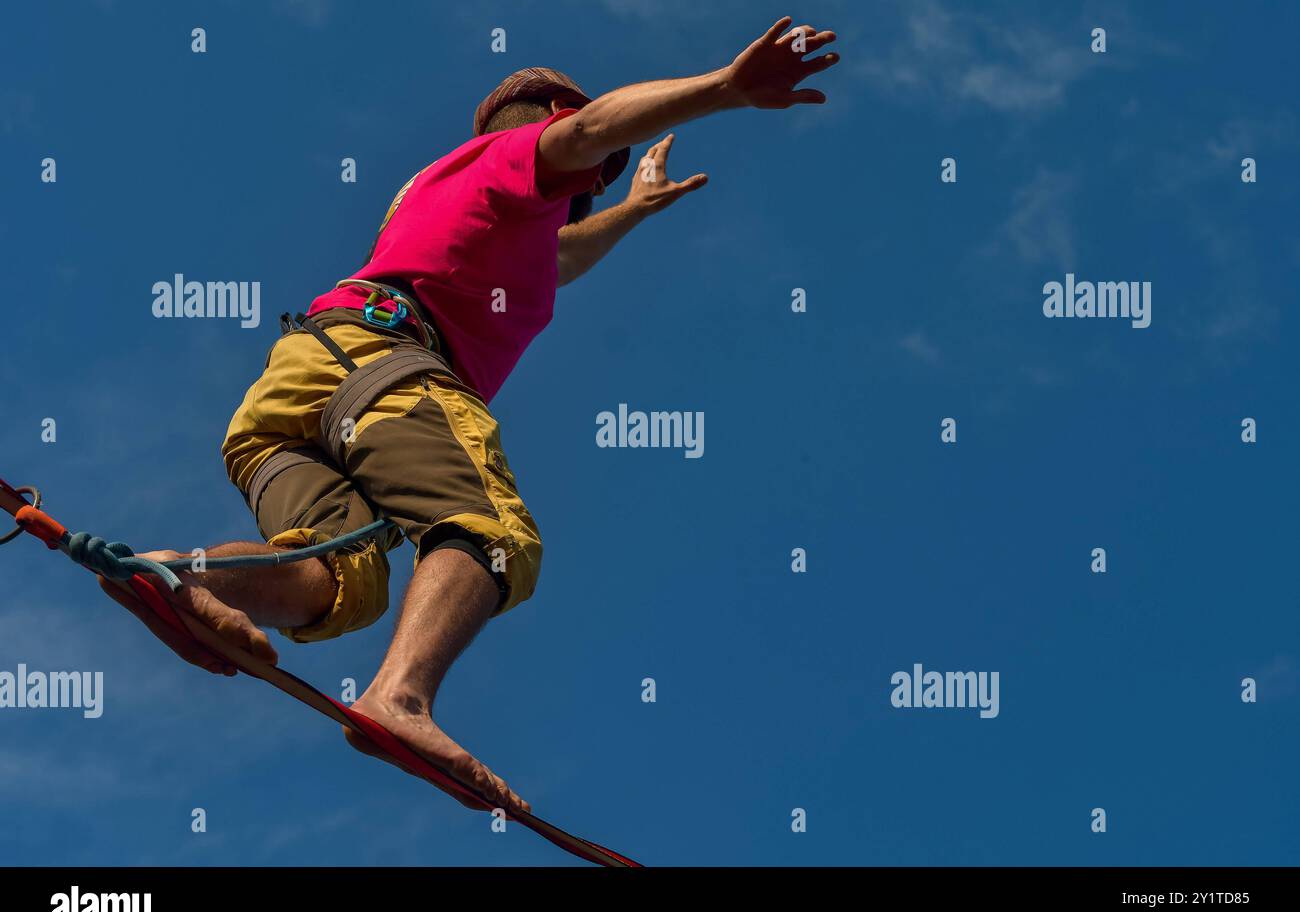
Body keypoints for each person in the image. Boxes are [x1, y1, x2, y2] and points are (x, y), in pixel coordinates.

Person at [101, 17, 839, 815]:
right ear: (549, 119)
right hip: (383, 368)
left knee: (339, 581)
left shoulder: (462, 202)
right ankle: (401, 698)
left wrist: (635, 209)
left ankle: (181, 572)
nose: (591, 176)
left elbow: (560, 260)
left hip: (291, 393)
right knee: (487, 533)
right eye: (591, 167)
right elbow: (588, 129)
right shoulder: (514, 155)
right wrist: (725, 89)